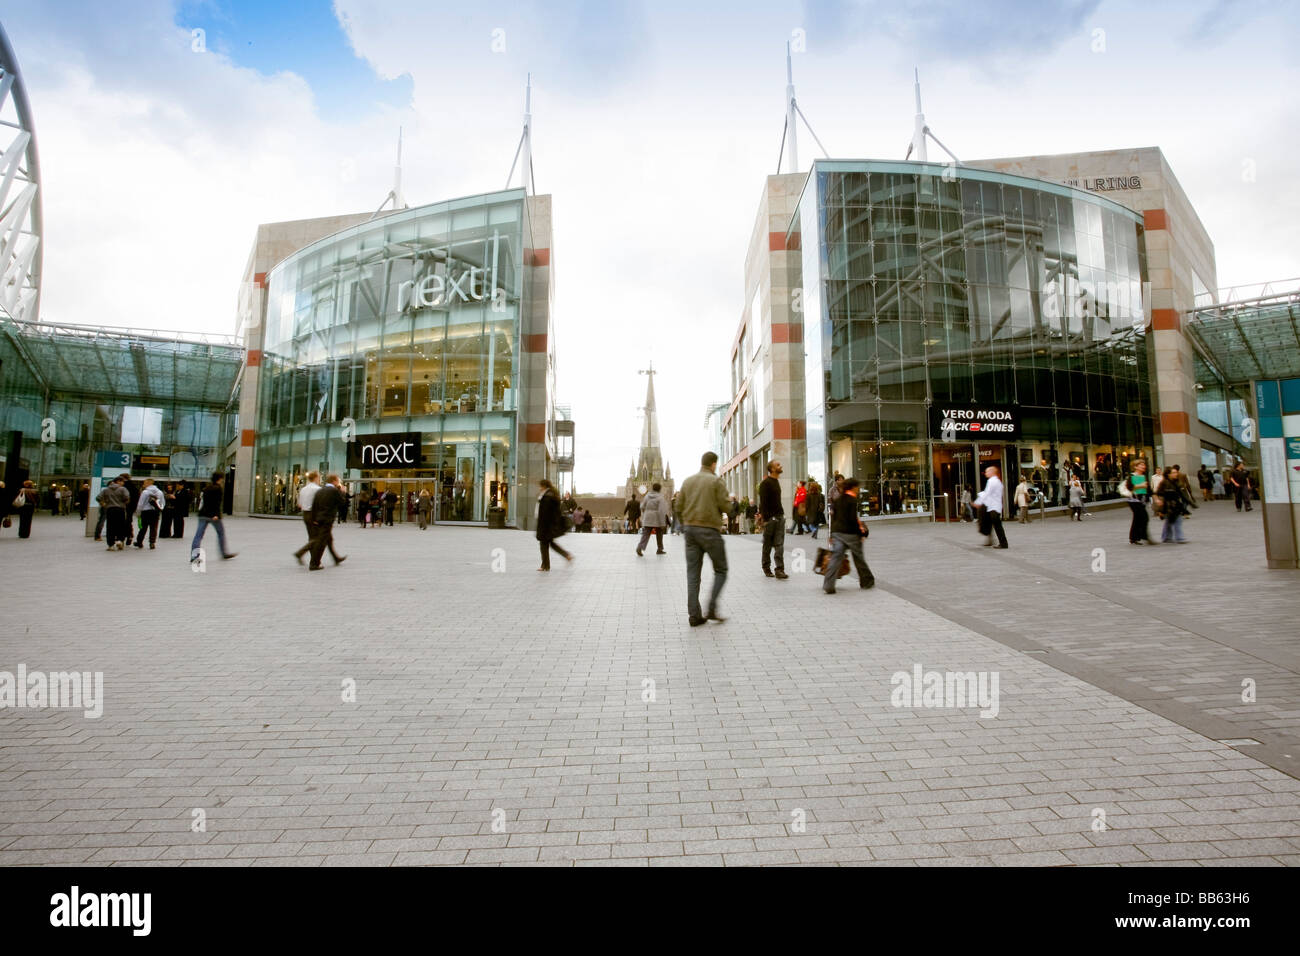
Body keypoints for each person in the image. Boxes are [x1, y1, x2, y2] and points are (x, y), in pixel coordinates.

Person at [679, 451, 730, 626]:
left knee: (693, 574)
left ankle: (694, 615)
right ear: (713, 464)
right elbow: (726, 506)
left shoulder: (687, 481)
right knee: (721, 570)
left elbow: (678, 507)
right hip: (710, 531)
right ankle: (712, 608)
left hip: (690, 530)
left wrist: (685, 525)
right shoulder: (716, 481)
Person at [822, 477, 875, 594]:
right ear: (854, 487)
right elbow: (852, 519)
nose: (859, 489)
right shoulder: (852, 500)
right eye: (858, 487)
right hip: (850, 535)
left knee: (835, 559)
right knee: (859, 558)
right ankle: (867, 581)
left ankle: (828, 585)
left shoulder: (838, 499)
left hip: (837, 533)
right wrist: (861, 533)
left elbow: (834, 518)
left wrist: (831, 535)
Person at [191, 472, 237, 562]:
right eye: (222, 478)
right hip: (212, 515)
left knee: (198, 535)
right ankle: (224, 553)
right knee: (221, 533)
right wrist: (216, 514)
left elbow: (204, 502)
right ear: (219, 479)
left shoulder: (206, 488)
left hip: (203, 514)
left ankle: (194, 556)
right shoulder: (218, 489)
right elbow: (217, 503)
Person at [307, 474, 347, 570]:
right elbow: (342, 503)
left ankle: (336, 558)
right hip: (327, 519)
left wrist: (314, 520)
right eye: (338, 481)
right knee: (321, 542)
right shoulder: (334, 491)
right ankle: (314, 563)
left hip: (319, 519)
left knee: (328, 540)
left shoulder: (320, 490)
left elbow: (314, 505)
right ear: (333, 481)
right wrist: (343, 492)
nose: (338, 483)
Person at [757, 460, 788, 580]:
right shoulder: (766, 483)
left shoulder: (776, 482)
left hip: (780, 517)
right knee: (767, 545)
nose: (780, 466)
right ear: (772, 469)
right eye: (778, 465)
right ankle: (766, 567)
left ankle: (779, 570)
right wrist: (765, 519)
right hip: (770, 519)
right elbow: (763, 503)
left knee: (779, 544)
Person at [536, 478, 572, 571]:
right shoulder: (551, 495)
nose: (539, 488)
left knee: (544, 544)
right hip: (550, 525)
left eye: (540, 486)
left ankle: (545, 566)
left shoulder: (547, 497)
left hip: (546, 526)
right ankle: (566, 555)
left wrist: (542, 526)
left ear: (544, 486)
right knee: (550, 544)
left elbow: (545, 513)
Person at [1120, 460, 1156, 545]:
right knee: (1144, 517)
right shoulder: (1131, 476)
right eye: (1141, 465)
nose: (1143, 466)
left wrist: (1155, 499)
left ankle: (1133, 538)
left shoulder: (1144, 476)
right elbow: (1129, 487)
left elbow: (1149, 490)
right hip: (1133, 500)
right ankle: (1144, 536)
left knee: (1137, 518)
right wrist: (1141, 485)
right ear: (1136, 467)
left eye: (1144, 465)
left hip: (1142, 500)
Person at [974, 465, 1008, 549]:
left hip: (993, 507)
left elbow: (987, 493)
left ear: (992, 472)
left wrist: (978, 502)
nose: (986, 473)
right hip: (994, 506)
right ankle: (993, 540)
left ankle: (1003, 543)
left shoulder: (992, 481)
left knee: (997, 525)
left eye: (987, 471)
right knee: (990, 523)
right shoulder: (997, 481)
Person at [292, 471, 322, 564]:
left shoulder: (303, 489)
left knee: (311, 537)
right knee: (317, 538)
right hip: (314, 514)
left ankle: (313, 559)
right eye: (319, 477)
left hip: (305, 514)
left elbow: (299, 505)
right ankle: (300, 553)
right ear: (316, 478)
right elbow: (319, 504)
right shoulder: (317, 489)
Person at [1157, 465, 1190, 543]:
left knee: (1169, 521)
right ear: (1169, 474)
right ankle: (1179, 538)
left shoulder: (1176, 481)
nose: (1176, 474)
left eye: (1176, 472)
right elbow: (1159, 493)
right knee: (1177, 521)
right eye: (1174, 472)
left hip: (1175, 504)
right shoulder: (1165, 482)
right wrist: (1160, 507)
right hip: (1168, 505)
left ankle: (1166, 537)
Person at [98, 476, 131, 550]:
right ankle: (119, 540)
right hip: (120, 509)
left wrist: (104, 504)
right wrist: (124, 502)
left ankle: (111, 545)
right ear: (118, 481)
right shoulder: (123, 489)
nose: (123, 483)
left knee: (110, 527)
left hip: (110, 509)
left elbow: (98, 497)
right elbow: (126, 497)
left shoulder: (106, 489)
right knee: (121, 525)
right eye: (122, 481)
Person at [636, 482, 669, 556]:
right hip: (657, 518)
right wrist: (662, 522)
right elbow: (661, 511)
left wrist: (646, 512)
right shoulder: (660, 497)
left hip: (647, 517)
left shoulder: (647, 496)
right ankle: (659, 549)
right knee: (659, 534)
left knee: (646, 534)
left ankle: (640, 547)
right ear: (659, 489)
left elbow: (642, 507)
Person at [133, 478, 166, 549]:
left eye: (144, 483)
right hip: (155, 512)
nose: (143, 485)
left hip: (146, 512)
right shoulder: (160, 492)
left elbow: (140, 504)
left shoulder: (145, 492)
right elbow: (162, 503)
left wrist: (138, 512)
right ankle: (152, 542)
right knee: (153, 528)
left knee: (143, 528)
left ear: (148, 483)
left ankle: (139, 542)